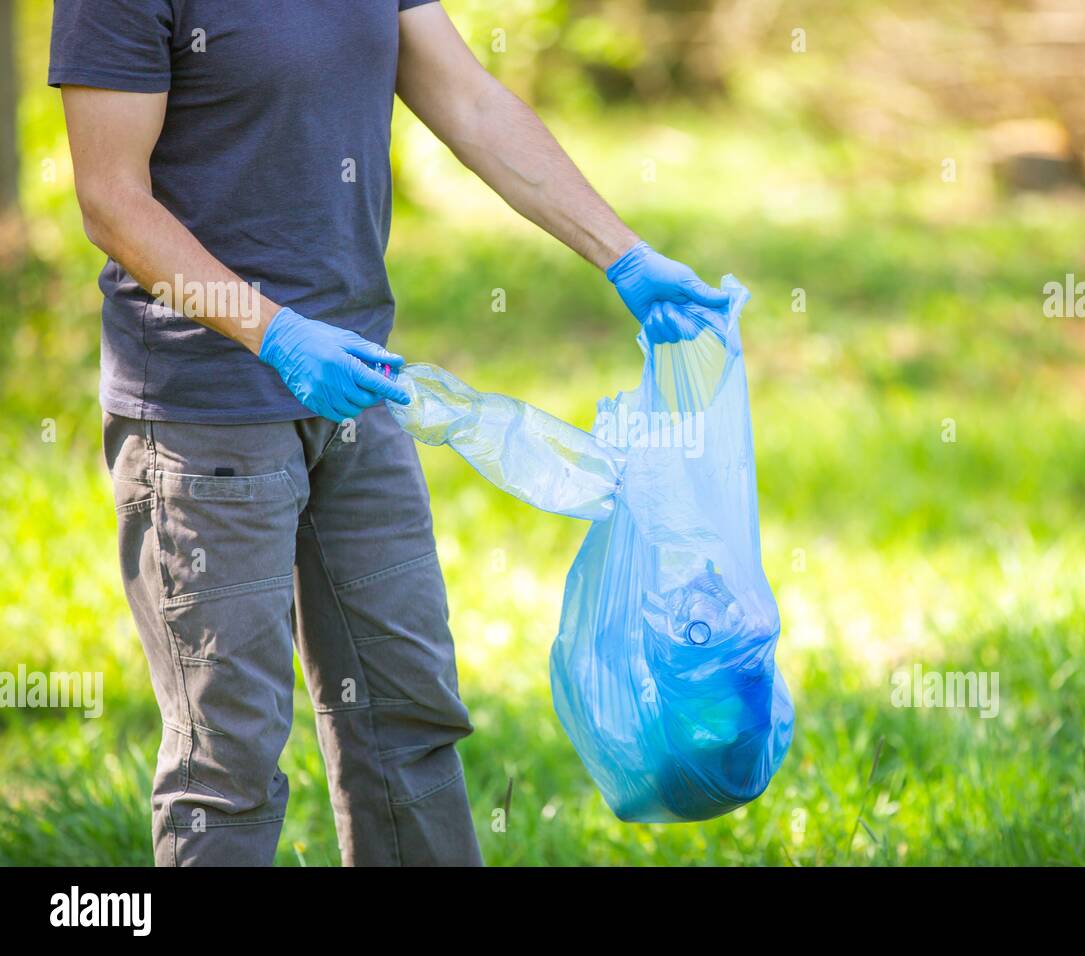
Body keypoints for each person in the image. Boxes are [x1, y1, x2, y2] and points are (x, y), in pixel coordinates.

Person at [49, 0, 726, 866]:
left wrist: (621, 254)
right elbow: (110, 198)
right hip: (202, 409)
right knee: (228, 758)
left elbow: (471, 104)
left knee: (406, 722)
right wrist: (274, 333)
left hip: (358, 393)